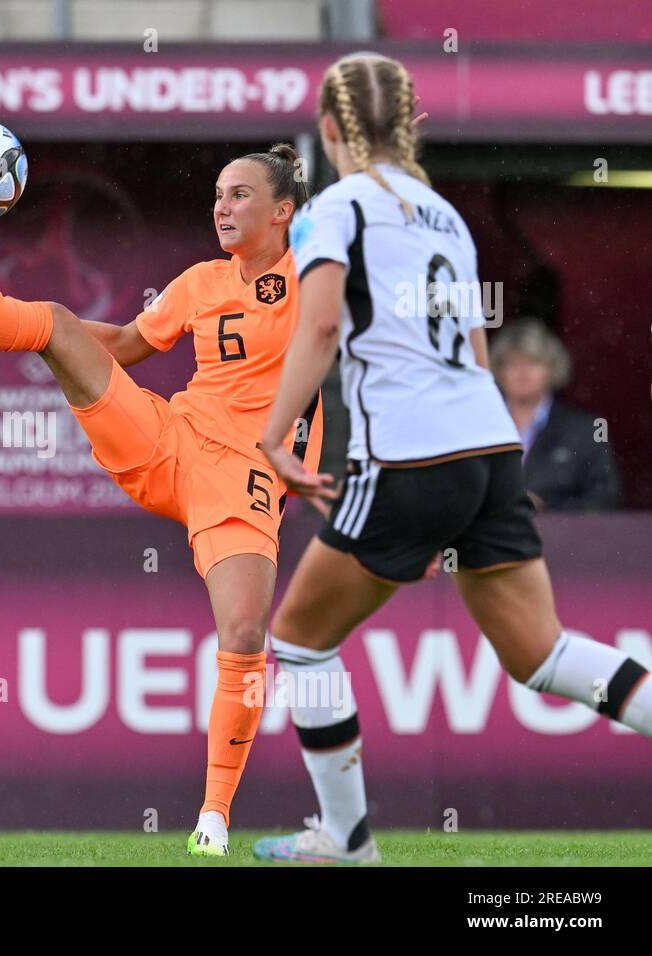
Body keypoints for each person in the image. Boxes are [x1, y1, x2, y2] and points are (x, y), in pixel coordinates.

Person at [0, 143, 323, 857]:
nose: (221, 207)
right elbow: (133, 342)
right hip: (167, 439)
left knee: (243, 638)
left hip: (247, 477)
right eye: (219, 195)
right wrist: (60, 343)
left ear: (283, 211)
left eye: (239, 196)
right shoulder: (201, 281)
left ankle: (213, 819)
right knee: (53, 320)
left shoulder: (318, 279)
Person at [254, 52, 652, 864]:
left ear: (330, 130)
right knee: (542, 656)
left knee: (299, 640)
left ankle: (346, 840)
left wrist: (274, 434)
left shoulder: (335, 207)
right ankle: (343, 837)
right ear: (411, 126)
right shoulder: (445, 217)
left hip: (408, 453)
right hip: (487, 449)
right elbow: (475, 354)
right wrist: (475, 491)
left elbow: (322, 328)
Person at [491, 318, 621, 511]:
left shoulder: (585, 430)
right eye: (512, 363)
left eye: (533, 362)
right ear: (499, 371)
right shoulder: (479, 427)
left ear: (552, 369)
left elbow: (606, 500)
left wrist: (547, 508)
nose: (522, 372)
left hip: (561, 539)